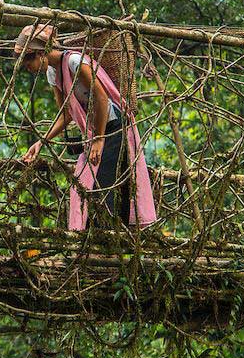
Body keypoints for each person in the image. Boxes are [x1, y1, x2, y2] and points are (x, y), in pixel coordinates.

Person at [16, 24, 156, 230]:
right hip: (95, 134)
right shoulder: (53, 74)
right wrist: (42, 142)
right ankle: (95, 242)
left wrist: (100, 139)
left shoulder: (74, 61)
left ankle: (105, 244)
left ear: (39, 53)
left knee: (103, 188)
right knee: (82, 186)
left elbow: (101, 97)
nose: (29, 68)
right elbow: (66, 113)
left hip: (114, 127)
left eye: (29, 62)